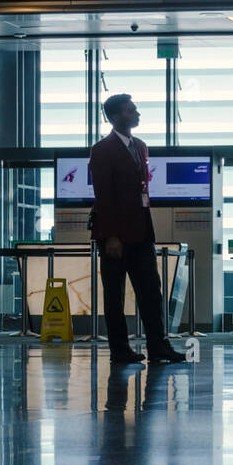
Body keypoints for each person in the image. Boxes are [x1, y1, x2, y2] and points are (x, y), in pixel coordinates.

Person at [88, 93, 187, 365]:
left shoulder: (140, 146)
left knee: (151, 293)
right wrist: (111, 236)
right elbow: (104, 195)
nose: (137, 114)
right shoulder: (102, 150)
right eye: (131, 110)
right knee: (115, 296)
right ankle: (120, 350)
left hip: (141, 232)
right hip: (115, 236)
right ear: (116, 117)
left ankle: (159, 346)